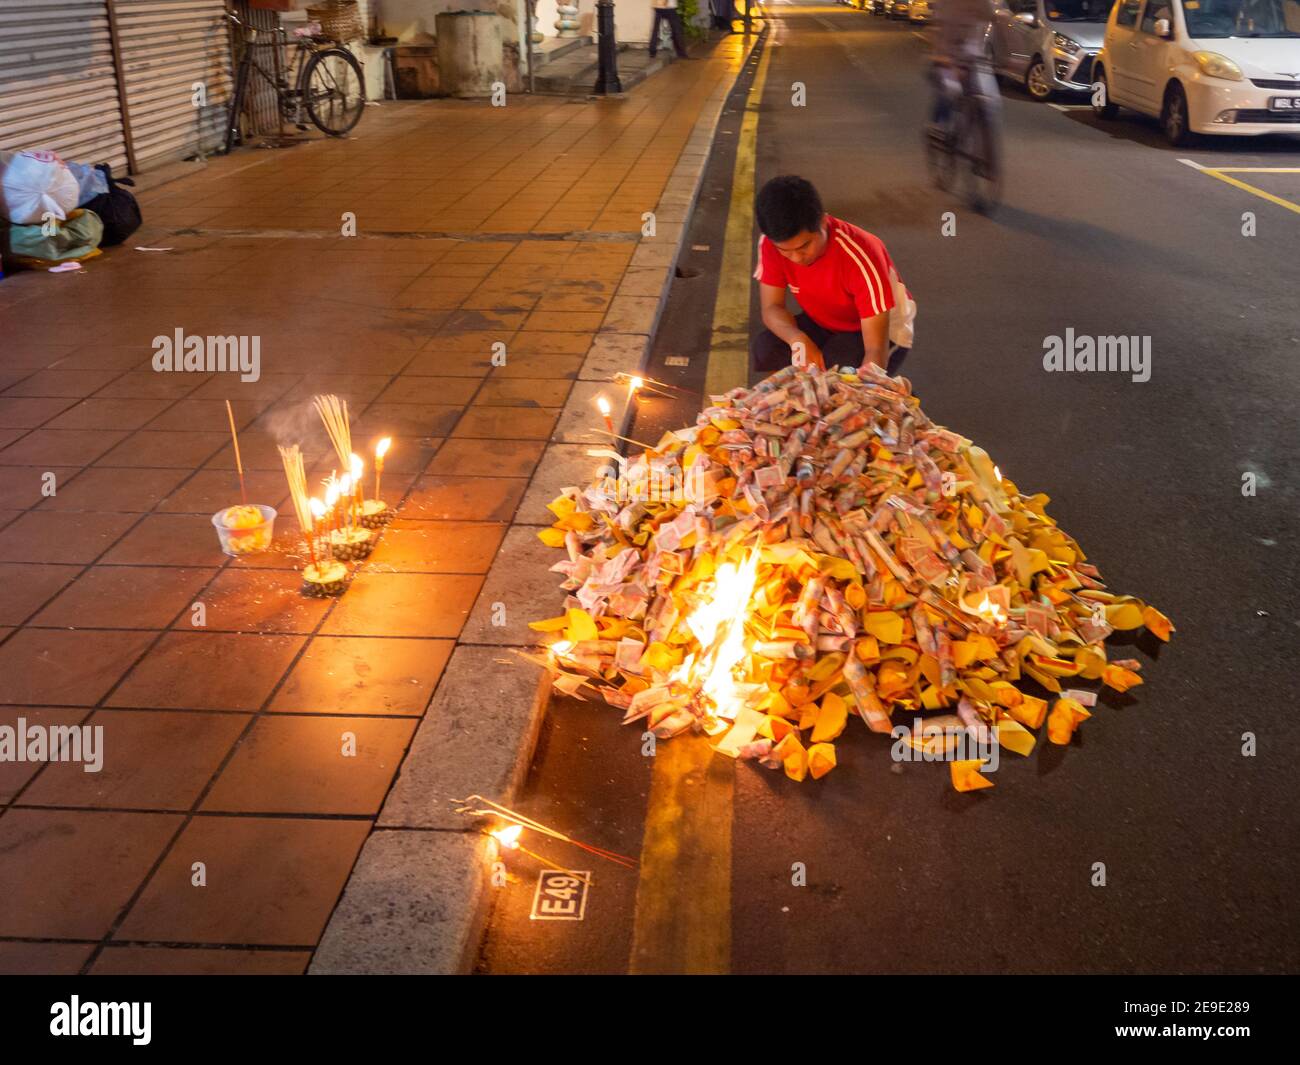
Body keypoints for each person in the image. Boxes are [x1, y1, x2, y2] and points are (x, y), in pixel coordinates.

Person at [750, 175, 916, 376]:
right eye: (785, 251)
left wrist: (862, 392)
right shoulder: (771, 244)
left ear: (822, 220)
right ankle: (792, 400)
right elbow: (771, 308)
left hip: (882, 330)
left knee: (839, 370)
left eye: (804, 246)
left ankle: (895, 399)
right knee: (768, 348)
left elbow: (875, 350)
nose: (796, 258)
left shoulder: (861, 256)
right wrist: (797, 338)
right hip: (824, 320)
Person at [928, 0, 999, 131]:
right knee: (951, 90)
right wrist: (943, 58)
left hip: (973, 57)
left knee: (991, 98)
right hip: (947, 55)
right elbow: (937, 29)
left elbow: (994, 18)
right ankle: (939, 124)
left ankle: (982, 137)